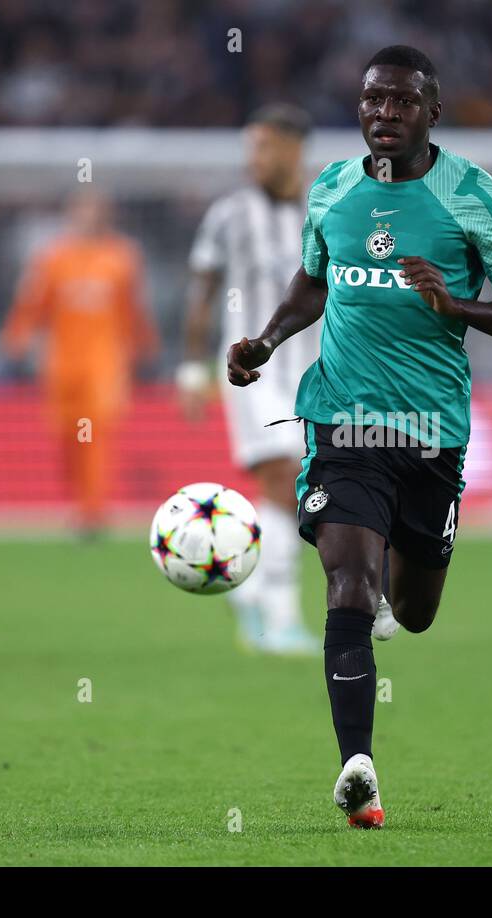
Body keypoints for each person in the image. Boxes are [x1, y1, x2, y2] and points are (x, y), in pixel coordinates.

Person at [225, 46, 492, 828]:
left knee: (415, 606)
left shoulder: (470, 194)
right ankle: (357, 769)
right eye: (373, 101)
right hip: (343, 421)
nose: (385, 115)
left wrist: (456, 308)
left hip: (433, 430)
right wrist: (266, 340)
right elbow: (316, 279)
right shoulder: (333, 187)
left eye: (402, 102)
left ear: (432, 112)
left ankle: (401, 585)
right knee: (349, 589)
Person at [181, 104, 323, 656]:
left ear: (292, 150)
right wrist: (193, 368)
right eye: (251, 148)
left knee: (309, 490)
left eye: (264, 147)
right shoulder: (228, 214)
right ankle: (279, 618)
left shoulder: (325, 212)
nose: (254, 159)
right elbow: (202, 295)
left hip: (315, 376)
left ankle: (249, 584)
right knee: (285, 477)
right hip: (252, 371)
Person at [2, 190, 160, 535]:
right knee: (67, 437)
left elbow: (134, 310)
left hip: (104, 364)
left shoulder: (121, 258)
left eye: (95, 211)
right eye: (83, 210)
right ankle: (80, 503)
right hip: (61, 364)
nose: (89, 218)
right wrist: (16, 342)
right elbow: (32, 305)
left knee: (96, 435)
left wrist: (146, 348)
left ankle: (93, 512)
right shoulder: (53, 258)